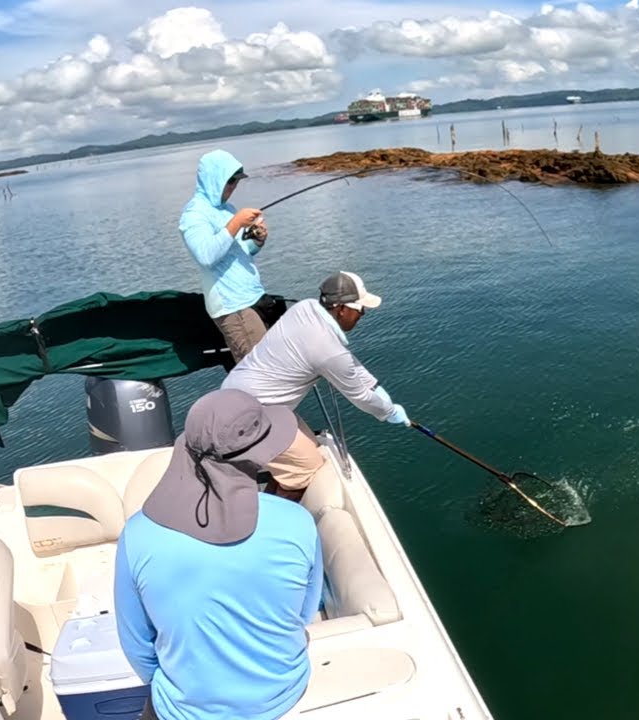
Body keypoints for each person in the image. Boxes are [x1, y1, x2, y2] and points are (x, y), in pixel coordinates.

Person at [115, 388, 323, 720]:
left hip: (185, 710)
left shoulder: (136, 535)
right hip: (285, 693)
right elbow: (304, 612)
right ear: (263, 452)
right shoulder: (298, 522)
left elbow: (137, 645)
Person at [222, 271, 410, 501]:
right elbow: (359, 395)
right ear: (341, 308)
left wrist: (375, 385)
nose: (363, 314)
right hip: (249, 415)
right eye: (360, 309)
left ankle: (272, 499)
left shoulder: (304, 309)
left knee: (308, 449)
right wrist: (388, 412)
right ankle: (271, 526)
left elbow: (347, 363)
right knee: (305, 468)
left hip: (239, 396)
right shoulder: (328, 350)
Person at [179, 149, 271, 362]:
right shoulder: (194, 215)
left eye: (236, 182)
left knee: (268, 367)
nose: (233, 187)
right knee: (261, 371)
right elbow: (206, 255)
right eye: (230, 181)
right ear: (215, 178)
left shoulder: (227, 209)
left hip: (252, 297)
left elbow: (243, 251)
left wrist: (257, 240)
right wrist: (236, 223)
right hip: (233, 306)